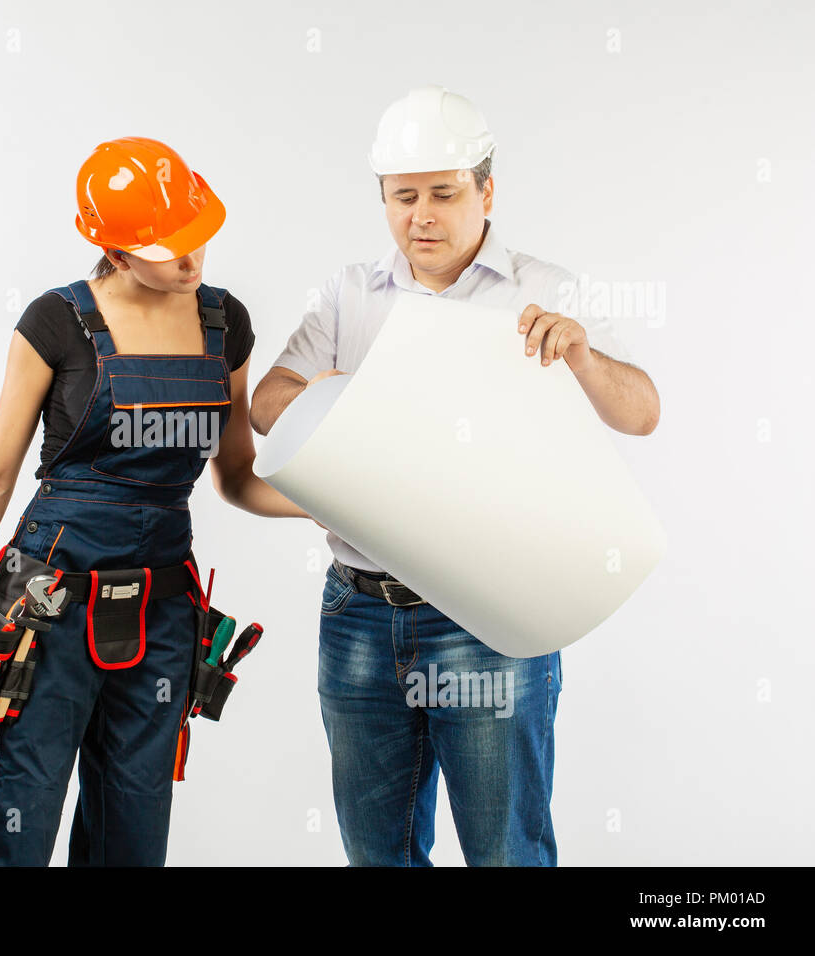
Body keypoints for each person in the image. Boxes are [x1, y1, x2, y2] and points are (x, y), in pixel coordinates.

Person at [249, 85, 661, 866]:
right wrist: (342, 397)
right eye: (403, 197)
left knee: (504, 851)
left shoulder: (543, 289)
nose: (422, 216)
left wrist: (578, 352)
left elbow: (641, 412)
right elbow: (270, 403)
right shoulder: (351, 293)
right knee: (378, 851)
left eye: (443, 193)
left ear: (487, 191)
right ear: (383, 200)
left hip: (488, 615)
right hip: (360, 614)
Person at [0, 136, 308, 866]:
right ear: (117, 254)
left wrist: (335, 505)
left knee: (134, 833)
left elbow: (237, 476)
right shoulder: (56, 324)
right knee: (16, 825)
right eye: (167, 249)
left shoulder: (226, 325)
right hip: (46, 613)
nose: (191, 261)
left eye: (197, 239)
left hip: (161, 612)